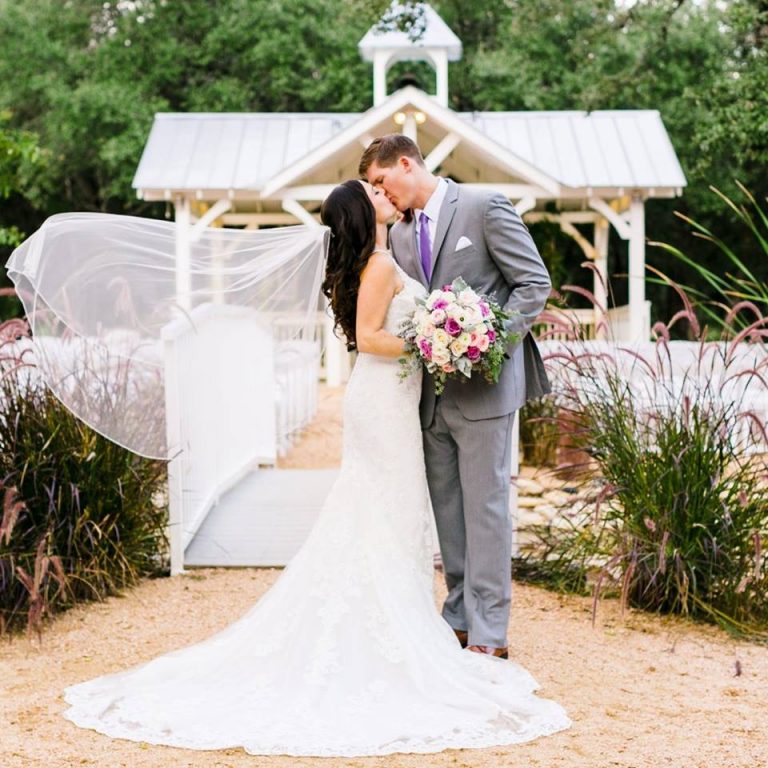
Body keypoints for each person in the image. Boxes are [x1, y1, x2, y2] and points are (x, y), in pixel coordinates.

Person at [61, 180, 569, 756]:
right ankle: (390, 629)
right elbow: (371, 338)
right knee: (382, 507)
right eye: (372, 191)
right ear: (363, 212)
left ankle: (404, 619)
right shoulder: (381, 264)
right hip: (383, 402)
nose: (383, 193)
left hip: (397, 401)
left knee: (391, 511)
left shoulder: (387, 254)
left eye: (381, 184)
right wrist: (433, 343)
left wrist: (441, 336)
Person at [361, 134, 552, 660]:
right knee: (447, 510)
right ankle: (459, 617)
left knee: (485, 508)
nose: (381, 193)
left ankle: (490, 631)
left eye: (380, 181)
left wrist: (487, 342)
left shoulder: (484, 206)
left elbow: (533, 284)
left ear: (405, 164)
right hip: (429, 397)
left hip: (486, 389)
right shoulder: (399, 235)